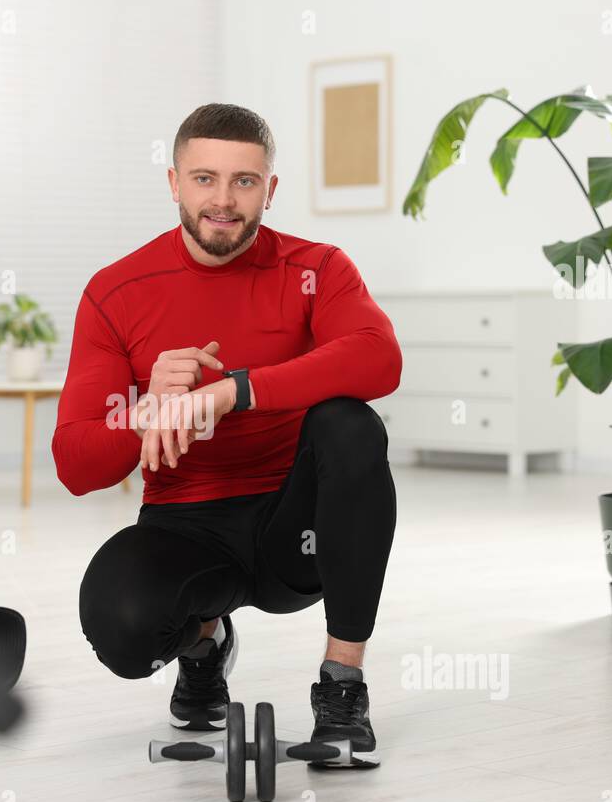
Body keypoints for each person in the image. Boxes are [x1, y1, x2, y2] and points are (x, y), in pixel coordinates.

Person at [52, 103, 400, 763]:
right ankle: (203, 647)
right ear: (174, 182)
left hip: (295, 533)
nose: (223, 199)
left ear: (270, 189)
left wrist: (234, 390)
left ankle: (342, 684)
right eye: (205, 178)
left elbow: (379, 357)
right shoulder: (115, 290)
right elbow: (75, 463)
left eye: (244, 181)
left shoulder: (316, 267)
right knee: (122, 627)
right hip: (186, 529)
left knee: (351, 422)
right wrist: (150, 410)